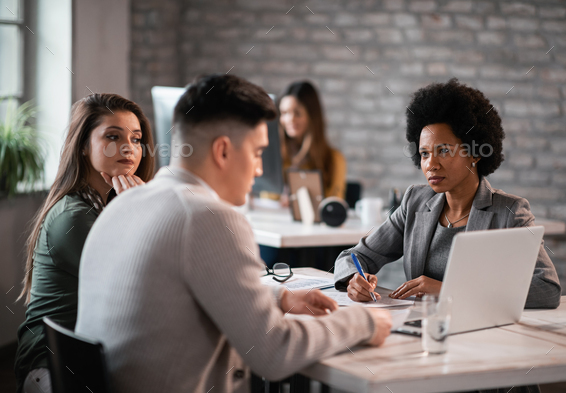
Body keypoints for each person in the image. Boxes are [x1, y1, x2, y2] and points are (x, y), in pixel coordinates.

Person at [75, 74, 392, 393]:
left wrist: (279, 296)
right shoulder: (208, 217)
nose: (258, 169)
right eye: (257, 153)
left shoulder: (123, 203)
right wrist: (363, 322)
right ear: (223, 151)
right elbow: (273, 353)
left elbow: (180, 290)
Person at [334, 78, 561, 311]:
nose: (431, 164)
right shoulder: (415, 202)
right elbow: (352, 257)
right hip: (421, 330)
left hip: (481, 335)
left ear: (474, 153)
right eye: (424, 153)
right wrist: (354, 280)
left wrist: (449, 290)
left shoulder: (509, 213)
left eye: (443, 150)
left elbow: (547, 289)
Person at [14, 94, 155, 393]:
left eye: (137, 138)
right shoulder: (74, 218)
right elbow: (138, 288)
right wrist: (143, 211)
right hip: (53, 364)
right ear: (82, 146)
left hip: (93, 350)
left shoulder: (104, 205)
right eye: (113, 136)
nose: (129, 147)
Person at [278, 80, 346, 201]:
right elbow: (266, 198)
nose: (290, 119)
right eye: (284, 113)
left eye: (297, 113)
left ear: (312, 116)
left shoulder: (334, 159)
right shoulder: (278, 155)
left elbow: (333, 205)